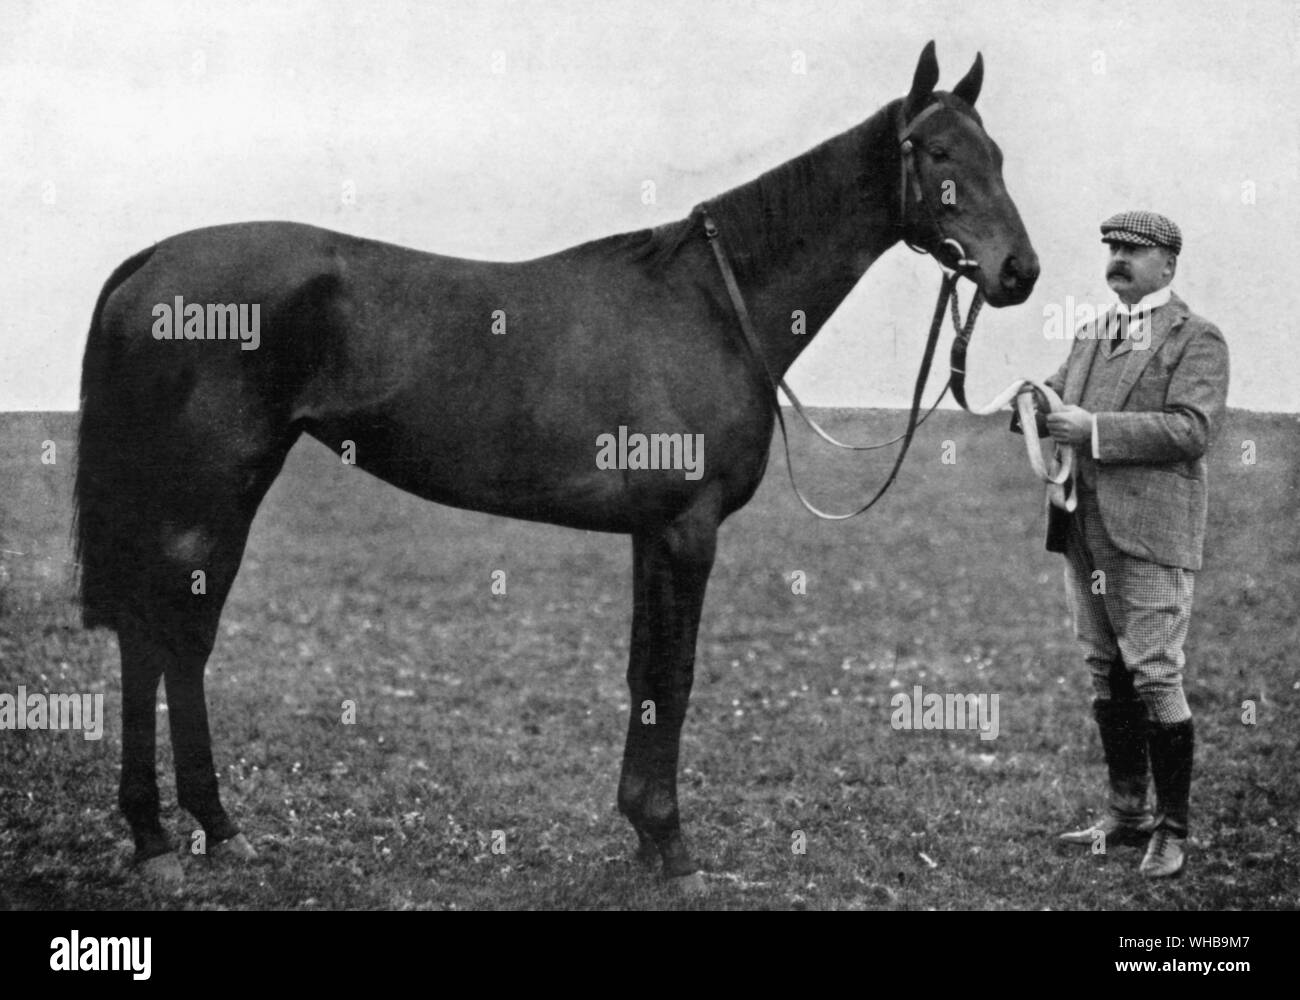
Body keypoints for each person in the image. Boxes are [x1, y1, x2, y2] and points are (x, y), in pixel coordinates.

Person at [1014, 210, 1229, 877]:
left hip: (1150, 537)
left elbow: (1192, 430)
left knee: (1156, 674)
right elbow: (1056, 405)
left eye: (1134, 249)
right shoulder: (1092, 332)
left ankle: (1172, 828)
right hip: (1083, 531)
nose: (1118, 258)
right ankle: (1126, 812)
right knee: (1106, 672)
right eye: (1111, 247)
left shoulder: (1197, 339)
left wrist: (1095, 430)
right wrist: (1026, 406)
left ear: (1169, 263)